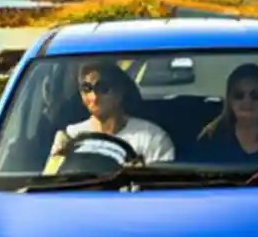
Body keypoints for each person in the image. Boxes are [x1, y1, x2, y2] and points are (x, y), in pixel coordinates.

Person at [44, 60, 175, 173]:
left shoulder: (151, 139)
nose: (94, 97)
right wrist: (58, 157)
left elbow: (163, 192)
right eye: (86, 88)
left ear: (120, 91)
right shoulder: (70, 137)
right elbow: (50, 182)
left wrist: (143, 175)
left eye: (103, 88)